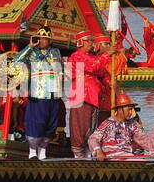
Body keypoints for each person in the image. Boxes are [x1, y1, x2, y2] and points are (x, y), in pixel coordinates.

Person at [12, 25, 65, 160]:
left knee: (50, 124)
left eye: (45, 39)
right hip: (38, 93)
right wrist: (30, 46)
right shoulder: (32, 53)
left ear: (50, 40)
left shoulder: (56, 52)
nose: (42, 41)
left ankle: (43, 150)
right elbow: (17, 61)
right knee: (37, 122)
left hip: (53, 93)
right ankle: (32, 151)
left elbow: (61, 70)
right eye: (40, 38)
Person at [66, 31, 109, 159]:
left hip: (93, 95)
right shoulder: (76, 56)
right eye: (89, 40)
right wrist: (106, 55)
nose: (92, 43)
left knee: (91, 126)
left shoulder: (93, 57)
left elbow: (100, 70)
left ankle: (88, 153)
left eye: (92, 40)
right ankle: (79, 154)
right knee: (80, 127)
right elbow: (92, 67)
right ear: (80, 42)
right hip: (81, 94)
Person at [89, 92, 152, 160]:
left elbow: (144, 139)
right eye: (129, 110)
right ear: (119, 109)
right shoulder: (108, 123)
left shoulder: (132, 125)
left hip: (127, 156)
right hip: (111, 156)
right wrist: (98, 151)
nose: (131, 112)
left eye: (132, 109)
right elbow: (93, 139)